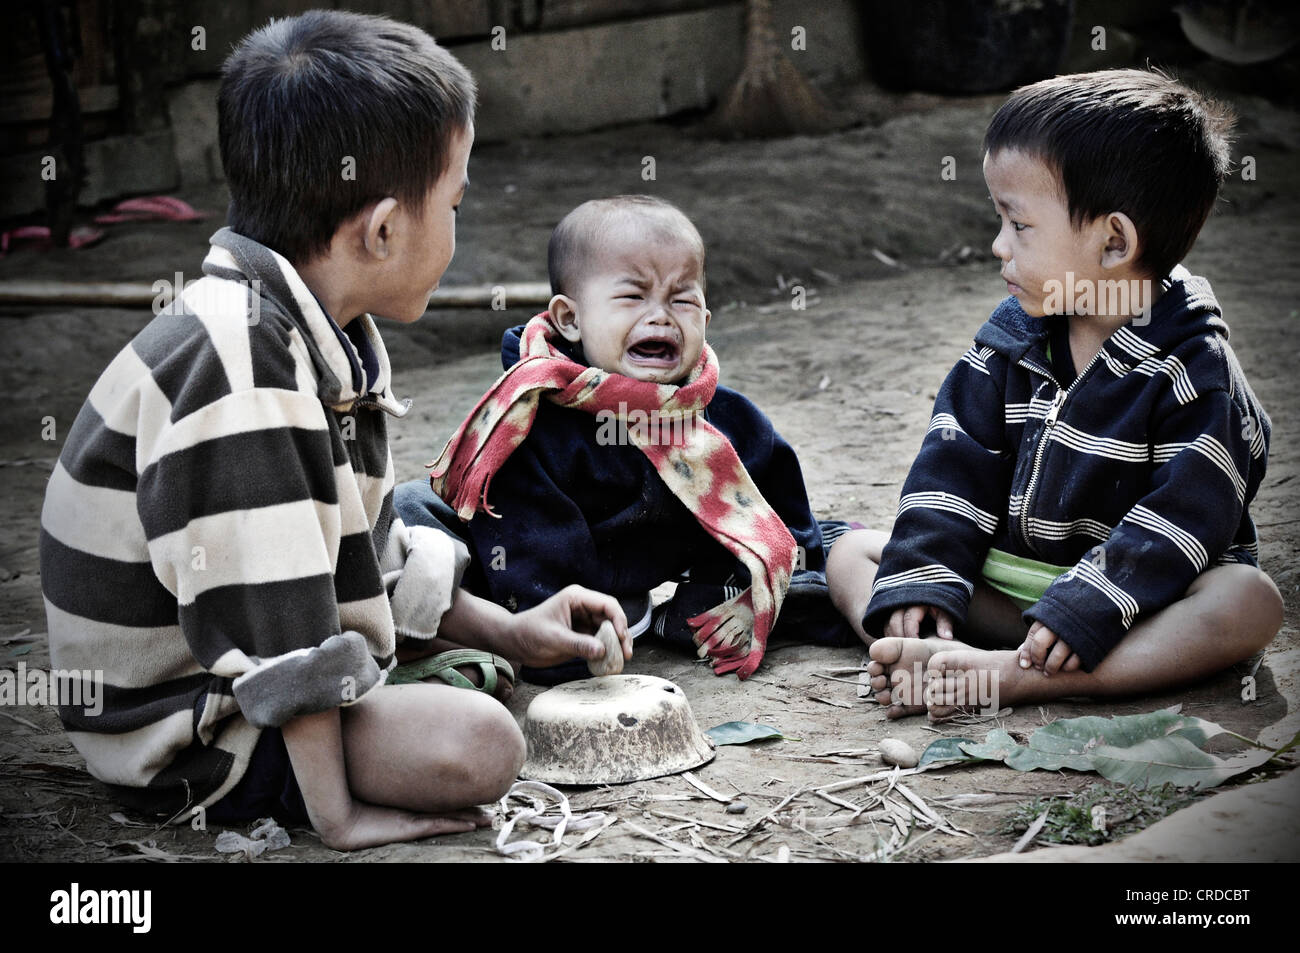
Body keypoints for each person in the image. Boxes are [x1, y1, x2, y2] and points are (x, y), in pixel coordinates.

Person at [38, 9, 628, 851]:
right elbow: (278, 619)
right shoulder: (238, 364)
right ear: (383, 229)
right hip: (188, 731)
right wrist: (336, 816)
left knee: (427, 527)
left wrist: (511, 629)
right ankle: (321, 773)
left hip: (252, 664)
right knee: (483, 744)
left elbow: (361, 547)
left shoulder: (308, 326)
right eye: (454, 203)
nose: (458, 227)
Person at [826, 69, 1282, 720]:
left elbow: (1184, 519)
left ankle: (1020, 679)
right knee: (857, 552)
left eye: (1019, 225)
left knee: (1247, 599)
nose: (998, 245)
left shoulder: (1195, 371)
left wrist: (1089, 604)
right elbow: (951, 468)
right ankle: (926, 646)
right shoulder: (1008, 342)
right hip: (1015, 589)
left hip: (1137, 608)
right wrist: (925, 574)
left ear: (1114, 242)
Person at [397, 195, 855, 683]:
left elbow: (778, 504)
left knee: (799, 559)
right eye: (633, 297)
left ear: (705, 320)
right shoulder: (532, 418)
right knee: (409, 517)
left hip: (627, 567)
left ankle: (654, 615)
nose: (660, 316)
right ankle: (474, 637)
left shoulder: (718, 417)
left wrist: (773, 587)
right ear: (570, 320)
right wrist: (562, 639)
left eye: (682, 299)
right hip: (506, 570)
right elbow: (525, 535)